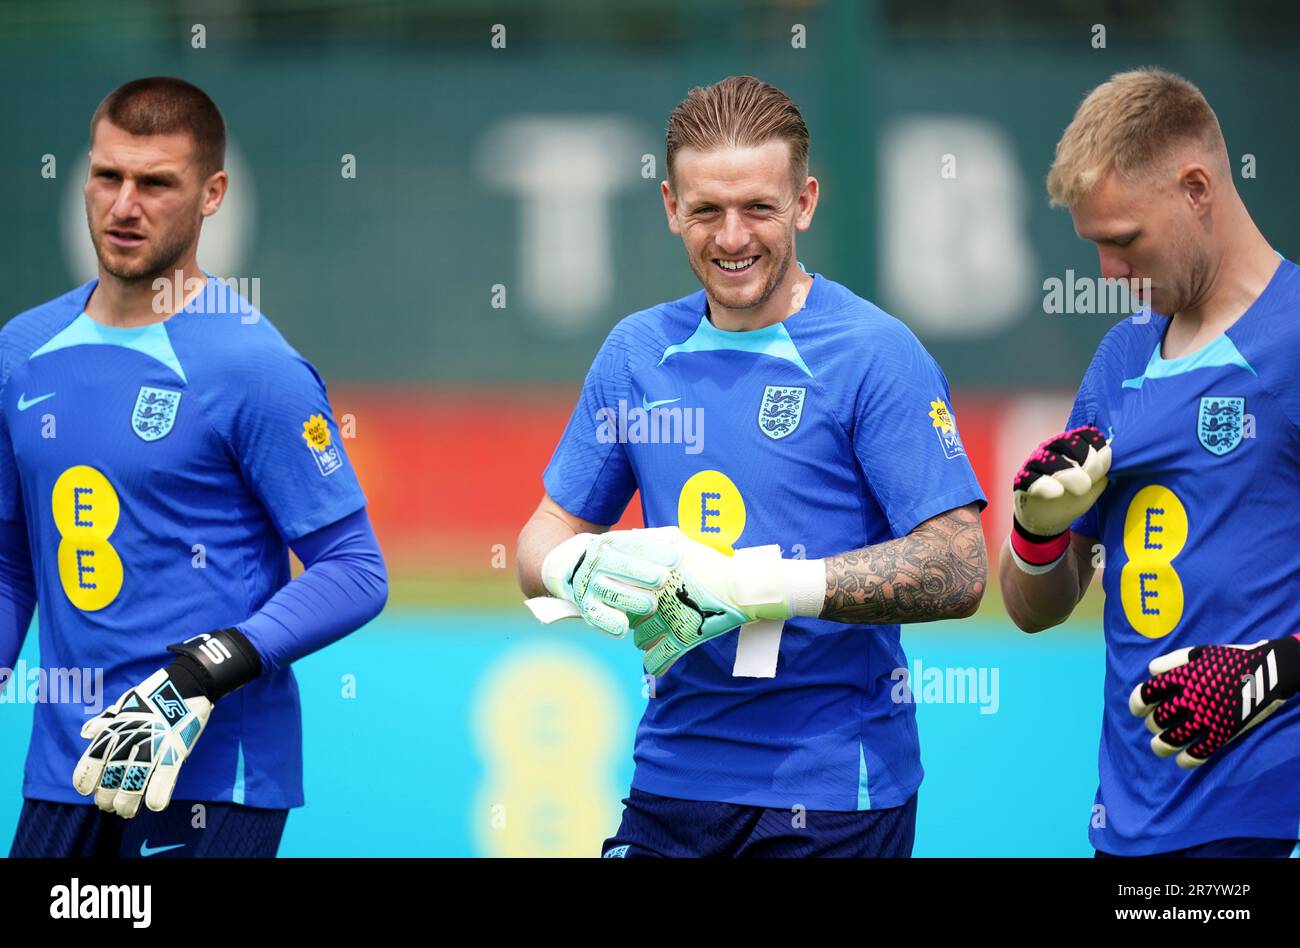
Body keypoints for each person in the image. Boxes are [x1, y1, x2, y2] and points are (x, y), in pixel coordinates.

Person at [516, 75, 987, 858]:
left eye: (759, 208)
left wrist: (757, 590)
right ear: (671, 206)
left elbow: (962, 563)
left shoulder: (875, 354)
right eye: (706, 210)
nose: (732, 237)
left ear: (803, 202)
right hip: (672, 779)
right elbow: (542, 538)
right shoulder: (636, 353)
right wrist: (583, 570)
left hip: (835, 790)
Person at [1, 76, 387, 858]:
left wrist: (202, 674)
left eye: (155, 184)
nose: (123, 206)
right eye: (108, 176)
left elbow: (355, 570)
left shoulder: (254, 366)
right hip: (65, 770)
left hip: (210, 780)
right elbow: (12, 562)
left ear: (212, 194)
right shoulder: (22, 352)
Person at [1001, 67, 1300, 857]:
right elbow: (1034, 609)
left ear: (1196, 188)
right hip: (1129, 820)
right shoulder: (1122, 354)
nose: (1107, 274)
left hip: (1256, 828)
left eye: (1124, 241)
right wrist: (1037, 531)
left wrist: (1273, 671)